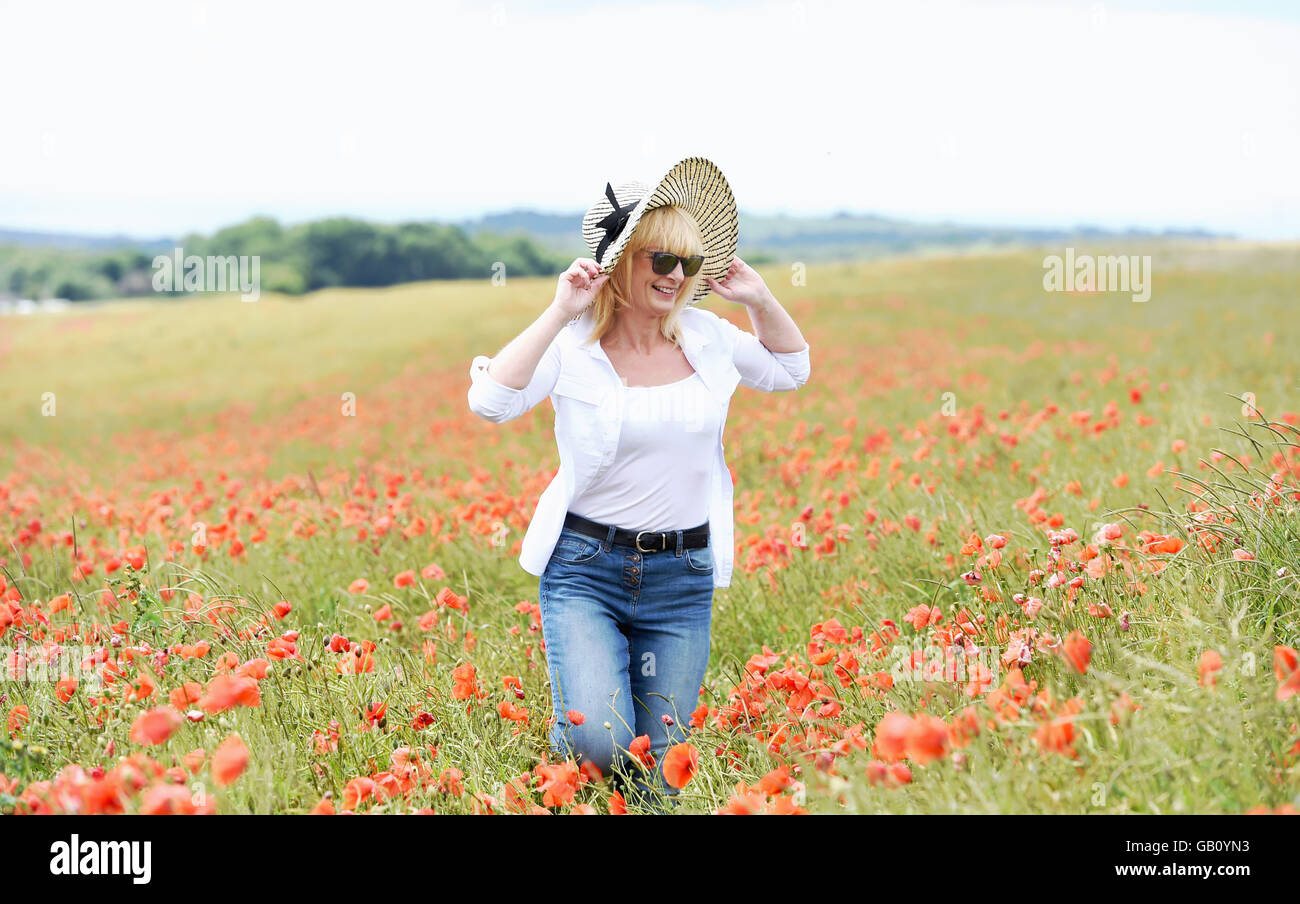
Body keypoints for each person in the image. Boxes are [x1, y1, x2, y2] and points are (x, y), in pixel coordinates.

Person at [467, 157, 810, 810]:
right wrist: (558, 311)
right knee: (600, 741)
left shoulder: (708, 338)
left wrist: (761, 298)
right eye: (661, 259)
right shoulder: (572, 349)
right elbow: (490, 401)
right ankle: (572, 761)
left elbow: (790, 369)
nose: (677, 275)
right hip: (586, 569)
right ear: (622, 262)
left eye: (688, 262)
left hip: (682, 575)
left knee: (659, 779)